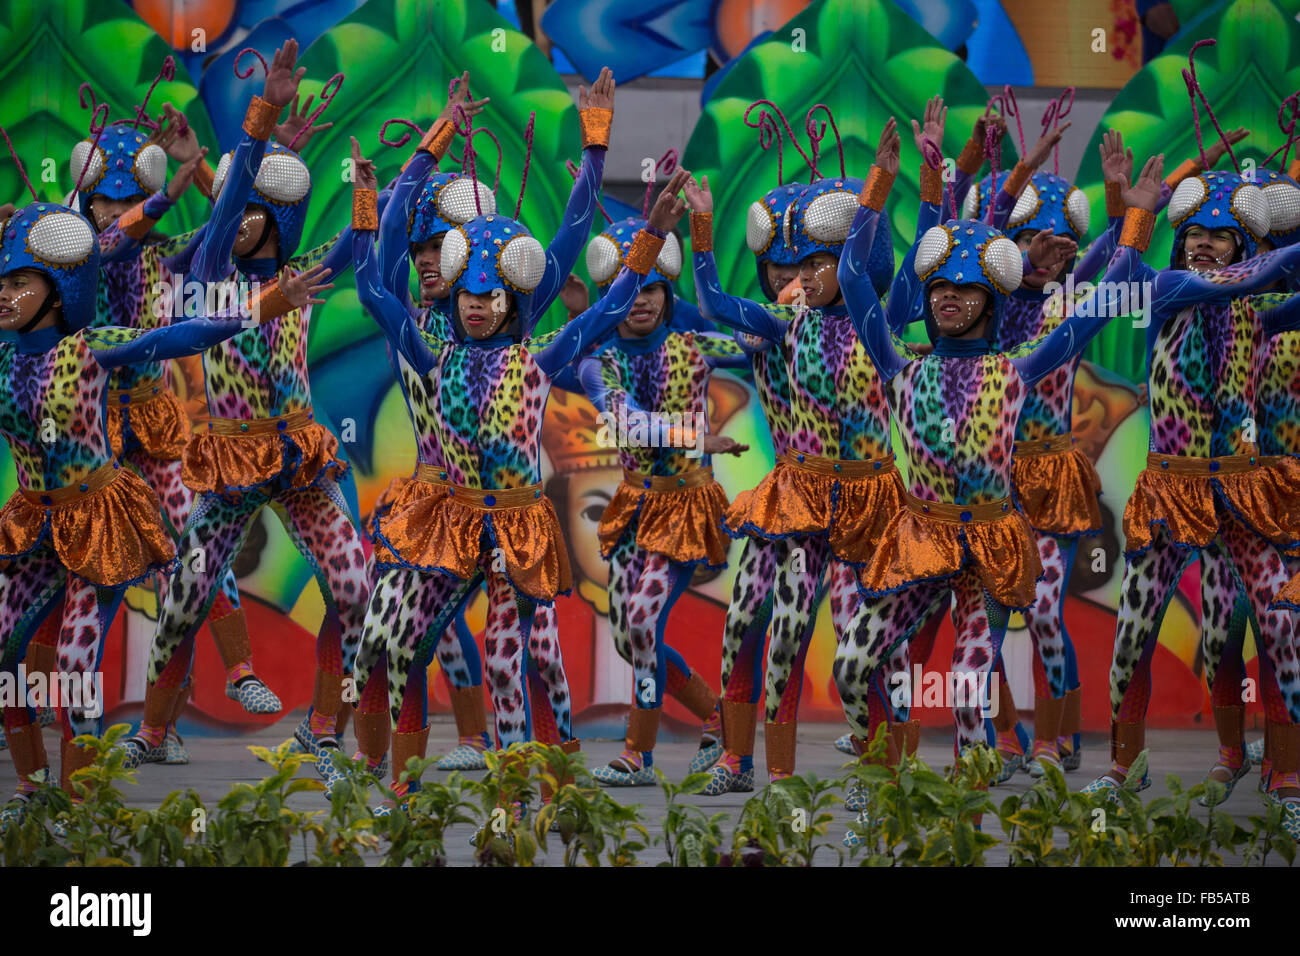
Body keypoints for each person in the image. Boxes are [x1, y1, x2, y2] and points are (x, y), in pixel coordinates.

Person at [348, 151, 690, 804]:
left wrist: (605, 168)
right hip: (452, 520)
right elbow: (371, 288)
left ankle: (535, 800)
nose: (477, 308)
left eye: (490, 297)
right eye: (469, 296)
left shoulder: (538, 356)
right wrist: (367, 202)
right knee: (401, 645)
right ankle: (401, 791)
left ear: (510, 300)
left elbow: (613, 302)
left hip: (517, 528)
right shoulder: (431, 349)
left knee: (520, 663)